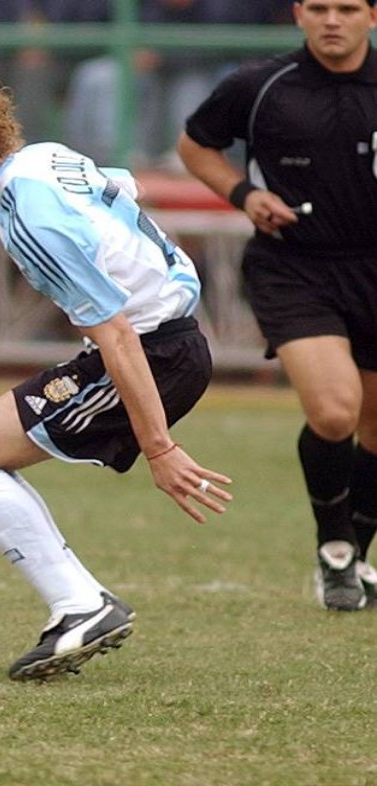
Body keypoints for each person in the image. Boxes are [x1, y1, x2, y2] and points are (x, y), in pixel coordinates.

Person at [0, 44, 232, 681]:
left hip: (154, 352)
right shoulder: (43, 158)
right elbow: (122, 186)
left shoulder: (28, 221)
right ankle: (79, 605)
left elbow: (120, 334)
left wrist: (159, 448)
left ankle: (81, 605)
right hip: (163, 338)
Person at [177, 0, 377, 611]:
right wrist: (244, 194)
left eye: (347, 7)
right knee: (337, 412)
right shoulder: (259, 85)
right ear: (298, 15)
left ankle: (355, 560)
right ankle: (334, 548)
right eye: (319, 8)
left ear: (372, 14)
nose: (332, 20)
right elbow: (195, 146)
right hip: (295, 267)